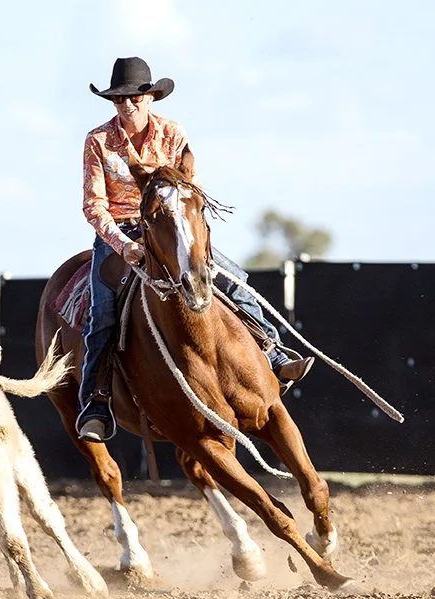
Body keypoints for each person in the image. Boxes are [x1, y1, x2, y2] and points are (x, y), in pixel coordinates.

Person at [76, 56, 314, 442]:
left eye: (135, 97)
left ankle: (272, 351)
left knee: (233, 278)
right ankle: (97, 403)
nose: (127, 105)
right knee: (101, 312)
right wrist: (123, 246)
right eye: (119, 99)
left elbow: (192, 191)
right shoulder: (98, 141)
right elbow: (94, 205)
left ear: (150, 97)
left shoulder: (173, 133)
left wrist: (189, 235)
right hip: (121, 232)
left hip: (171, 230)